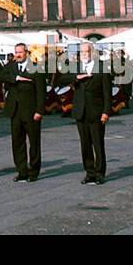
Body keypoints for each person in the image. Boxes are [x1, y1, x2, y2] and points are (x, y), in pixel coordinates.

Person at [55, 43, 112, 184]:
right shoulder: (76, 67)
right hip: (80, 111)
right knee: (85, 144)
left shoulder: (102, 68)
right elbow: (60, 79)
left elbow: (107, 92)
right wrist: (76, 78)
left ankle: (100, 173)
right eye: (82, 52)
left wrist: (106, 111)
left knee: (98, 143)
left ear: (92, 52)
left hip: (96, 111)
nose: (84, 54)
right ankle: (89, 172)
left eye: (86, 51)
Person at [0, 42, 45, 182]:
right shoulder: (11, 67)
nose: (17, 55)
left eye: (20, 52)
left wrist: (39, 110)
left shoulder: (36, 68)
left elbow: (42, 92)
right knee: (17, 142)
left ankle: (34, 171)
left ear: (27, 53)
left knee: (34, 142)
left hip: (31, 111)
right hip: (15, 110)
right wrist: (16, 78)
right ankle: (22, 170)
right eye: (16, 52)